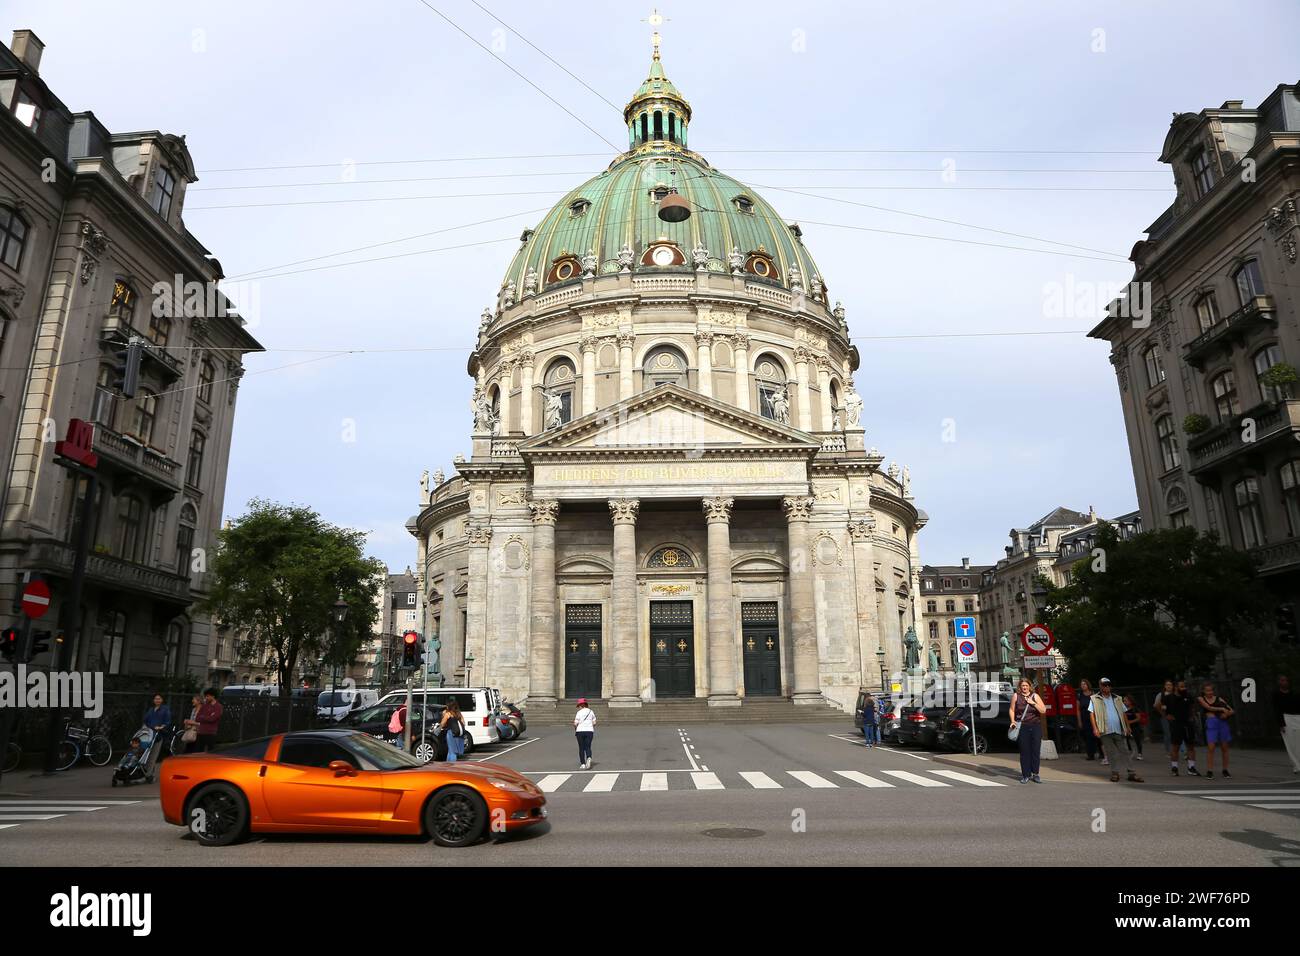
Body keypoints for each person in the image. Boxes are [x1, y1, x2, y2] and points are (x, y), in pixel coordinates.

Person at [1089, 678, 1143, 783]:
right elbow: (1091, 713)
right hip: (1105, 729)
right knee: (1111, 753)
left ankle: (1131, 773)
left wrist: (1127, 727)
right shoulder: (1095, 698)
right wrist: (1095, 728)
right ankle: (1115, 773)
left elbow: (1123, 713)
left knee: (1125, 751)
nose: (1107, 687)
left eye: (1108, 685)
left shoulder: (1117, 698)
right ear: (1100, 686)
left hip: (1118, 729)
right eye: (1104, 685)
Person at [1158, 679, 1199, 776]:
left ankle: (1191, 767)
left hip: (1188, 724)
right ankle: (1174, 768)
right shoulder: (1168, 698)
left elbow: (1193, 707)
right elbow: (1161, 707)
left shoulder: (1188, 696)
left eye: (1184, 686)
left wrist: (1192, 717)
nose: (1183, 688)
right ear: (1176, 687)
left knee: (1191, 746)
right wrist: (1166, 715)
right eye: (1181, 686)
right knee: (1175, 746)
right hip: (1176, 724)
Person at [1009, 678, 1046, 784]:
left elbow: (1043, 710)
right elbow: (1011, 709)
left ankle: (1036, 774)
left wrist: (1033, 703)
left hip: (1035, 726)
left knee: (1035, 750)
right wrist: (1012, 721)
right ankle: (1025, 775)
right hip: (1023, 727)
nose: (1024, 687)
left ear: (1030, 686)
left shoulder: (1035, 696)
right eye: (1022, 686)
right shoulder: (1016, 696)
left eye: (1026, 685)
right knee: (1025, 751)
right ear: (1020, 687)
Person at [1197, 682, 1234, 779]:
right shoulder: (1201, 698)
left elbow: (1231, 710)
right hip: (1211, 722)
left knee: (1224, 747)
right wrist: (1221, 708)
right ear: (1203, 691)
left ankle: (1225, 769)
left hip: (1222, 723)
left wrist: (1226, 714)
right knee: (1211, 747)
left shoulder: (1219, 699)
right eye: (1207, 690)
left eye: (1211, 690)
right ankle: (1209, 770)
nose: (1210, 692)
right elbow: (1208, 707)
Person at [1077, 679, 1104, 762]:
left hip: (1095, 717)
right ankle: (1090, 754)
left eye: (1084, 684)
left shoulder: (1094, 694)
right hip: (1085, 718)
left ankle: (1102, 753)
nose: (1083, 686)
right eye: (1082, 684)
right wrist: (1079, 721)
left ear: (1088, 685)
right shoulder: (1079, 695)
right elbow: (1077, 709)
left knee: (1098, 736)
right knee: (1088, 736)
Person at [1277, 675, 1300, 773]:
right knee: (1290, 743)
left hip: (1298, 717)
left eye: (1286, 680)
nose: (1284, 682)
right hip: (1286, 718)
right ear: (1279, 682)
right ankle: (1296, 766)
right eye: (1282, 680)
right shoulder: (1276, 694)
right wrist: (1281, 724)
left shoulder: (1294, 693)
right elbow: (1276, 710)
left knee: (1298, 742)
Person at [189, 688, 222, 753]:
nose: (206, 698)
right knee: (198, 752)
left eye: (207, 696)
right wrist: (208, 717)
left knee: (210, 753)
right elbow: (197, 718)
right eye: (205, 696)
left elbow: (213, 719)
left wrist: (203, 717)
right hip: (200, 732)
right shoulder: (204, 706)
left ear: (213, 696)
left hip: (210, 733)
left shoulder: (218, 707)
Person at [574, 697, 596, 770]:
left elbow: (575, 723)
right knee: (588, 746)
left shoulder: (579, 712)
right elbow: (594, 722)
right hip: (589, 731)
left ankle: (583, 763)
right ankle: (589, 757)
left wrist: (576, 729)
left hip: (580, 731)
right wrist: (590, 726)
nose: (579, 707)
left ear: (581, 705)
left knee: (581, 748)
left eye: (579, 706)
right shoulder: (591, 711)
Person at [1122, 693, 1144, 761]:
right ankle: (1130, 751)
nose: (1124, 702)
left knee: (1137, 740)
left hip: (1135, 727)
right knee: (1127, 739)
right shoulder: (1124, 709)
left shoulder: (1135, 709)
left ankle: (1140, 753)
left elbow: (1138, 718)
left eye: (1126, 701)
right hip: (1127, 728)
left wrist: (1130, 722)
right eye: (1124, 701)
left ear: (1130, 701)